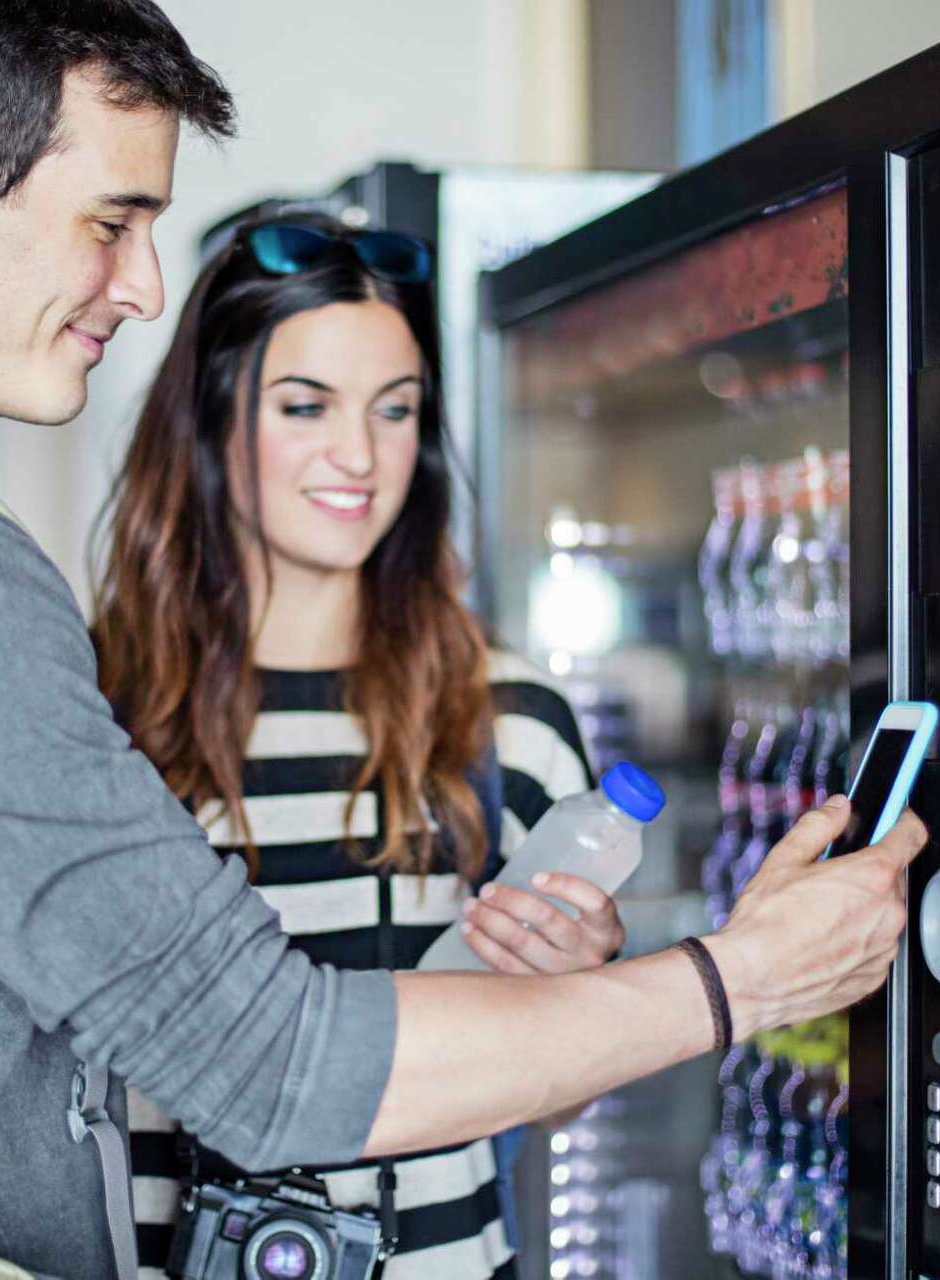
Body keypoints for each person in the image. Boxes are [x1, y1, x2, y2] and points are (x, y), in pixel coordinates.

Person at [0, 2, 925, 1277]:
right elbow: (262, 1058)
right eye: (111, 222)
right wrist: (741, 976)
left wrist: (578, 998)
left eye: (397, 409)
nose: (141, 287)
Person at [95, 215, 623, 1278]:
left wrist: (580, 997)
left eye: (397, 410)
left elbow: (562, 1089)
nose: (360, 456)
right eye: (306, 406)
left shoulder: (510, 723)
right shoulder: (89, 710)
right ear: (210, 416)